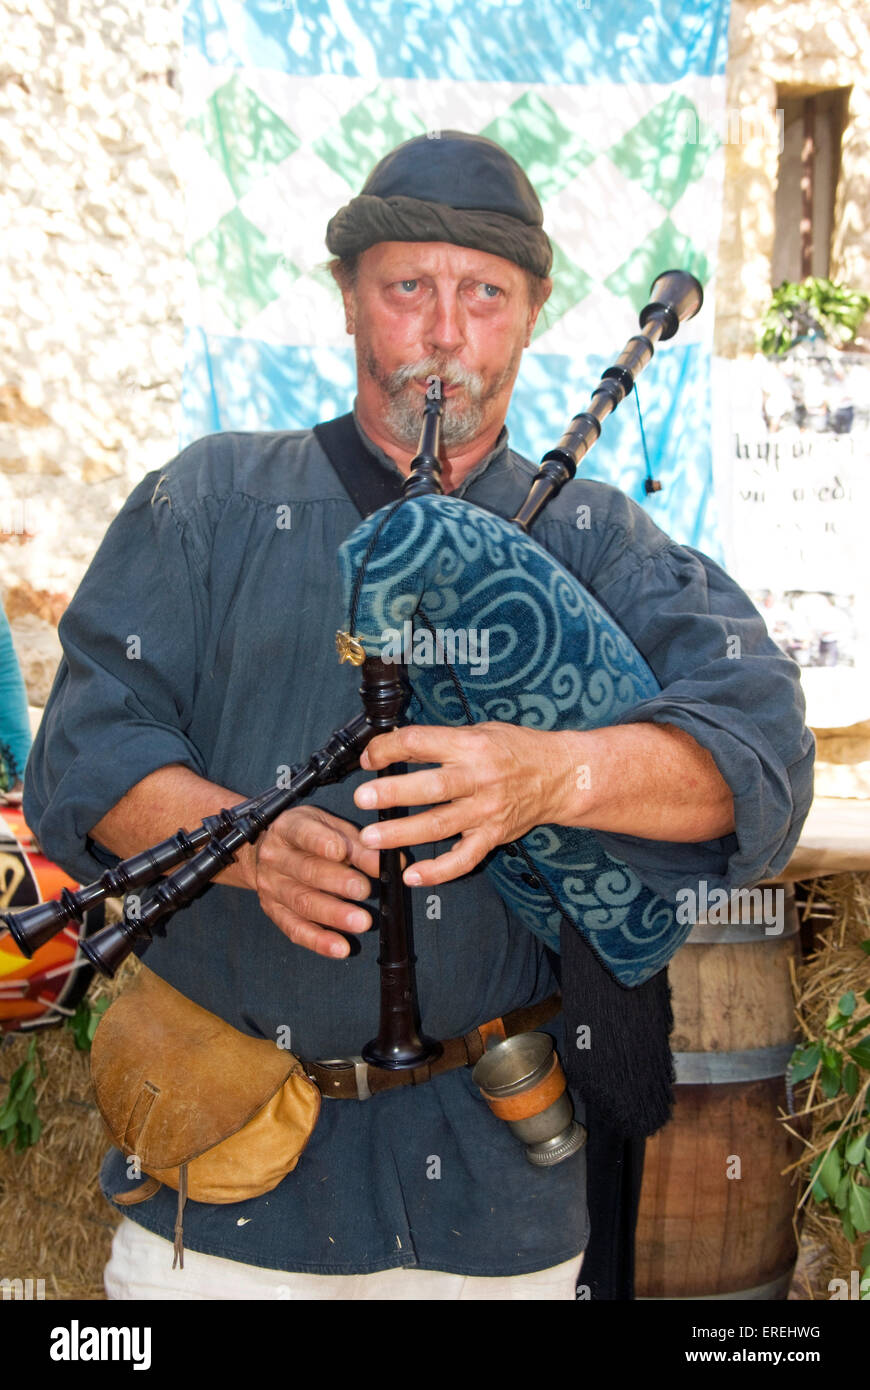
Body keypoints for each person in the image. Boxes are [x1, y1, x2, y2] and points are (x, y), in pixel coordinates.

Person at [23, 131, 814, 1301]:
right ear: (350, 300)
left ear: (531, 315)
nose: (446, 331)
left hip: (495, 1210)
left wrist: (552, 775)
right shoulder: (209, 502)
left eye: (484, 294)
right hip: (222, 1199)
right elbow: (87, 753)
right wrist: (242, 840)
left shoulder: (597, 540)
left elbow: (759, 752)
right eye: (409, 287)